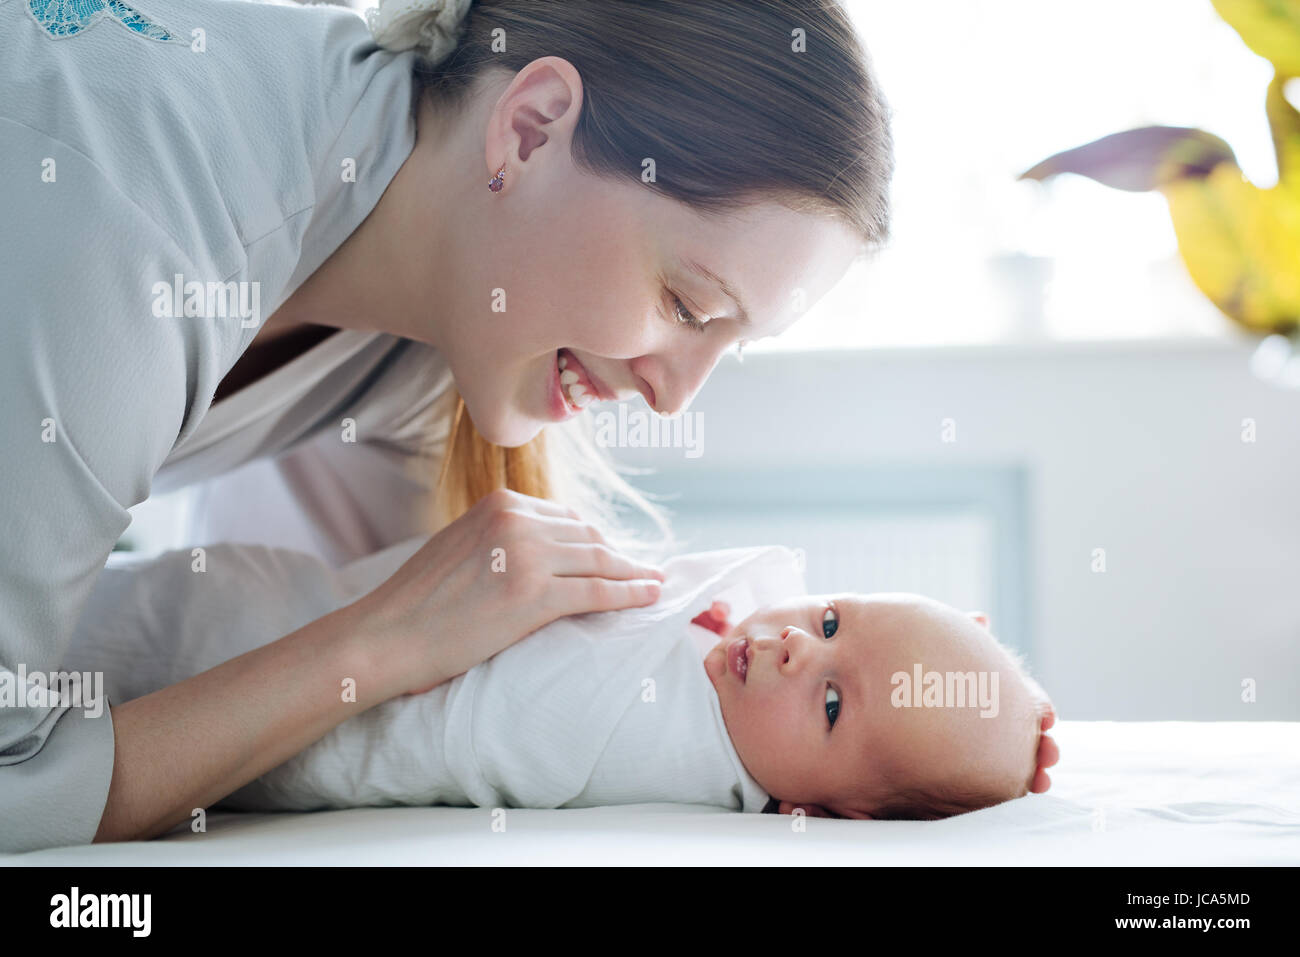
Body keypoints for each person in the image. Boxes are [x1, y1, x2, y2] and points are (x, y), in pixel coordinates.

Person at [0, 0, 894, 851]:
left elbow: (371, 692)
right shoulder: (132, 228)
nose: (674, 399)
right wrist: (375, 642)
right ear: (531, 127)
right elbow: (15, 786)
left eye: (727, 348)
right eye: (686, 305)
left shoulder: (420, 349)